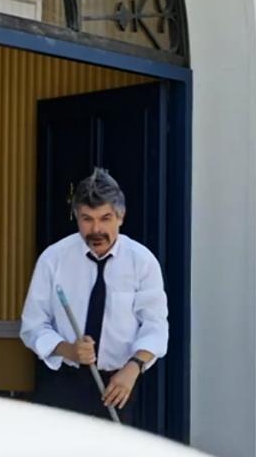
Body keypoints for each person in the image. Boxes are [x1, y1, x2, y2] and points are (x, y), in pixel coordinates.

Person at [20, 168, 168, 424]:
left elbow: (155, 327)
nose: (96, 229)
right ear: (76, 216)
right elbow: (32, 326)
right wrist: (69, 349)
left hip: (119, 383)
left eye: (105, 218)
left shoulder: (142, 262)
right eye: (87, 219)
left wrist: (133, 368)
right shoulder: (53, 259)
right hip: (64, 381)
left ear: (120, 217)